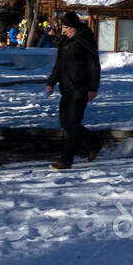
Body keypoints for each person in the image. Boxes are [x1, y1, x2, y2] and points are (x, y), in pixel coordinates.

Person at [45, 12, 101, 171]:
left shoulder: (85, 40)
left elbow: (94, 66)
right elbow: (59, 65)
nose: (65, 31)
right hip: (66, 88)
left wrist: (93, 88)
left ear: (75, 27)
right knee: (65, 122)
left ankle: (65, 160)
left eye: (68, 28)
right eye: (63, 28)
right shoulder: (64, 42)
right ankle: (94, 143)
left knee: (73, 124)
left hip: (81, 88)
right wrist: (51, 82)